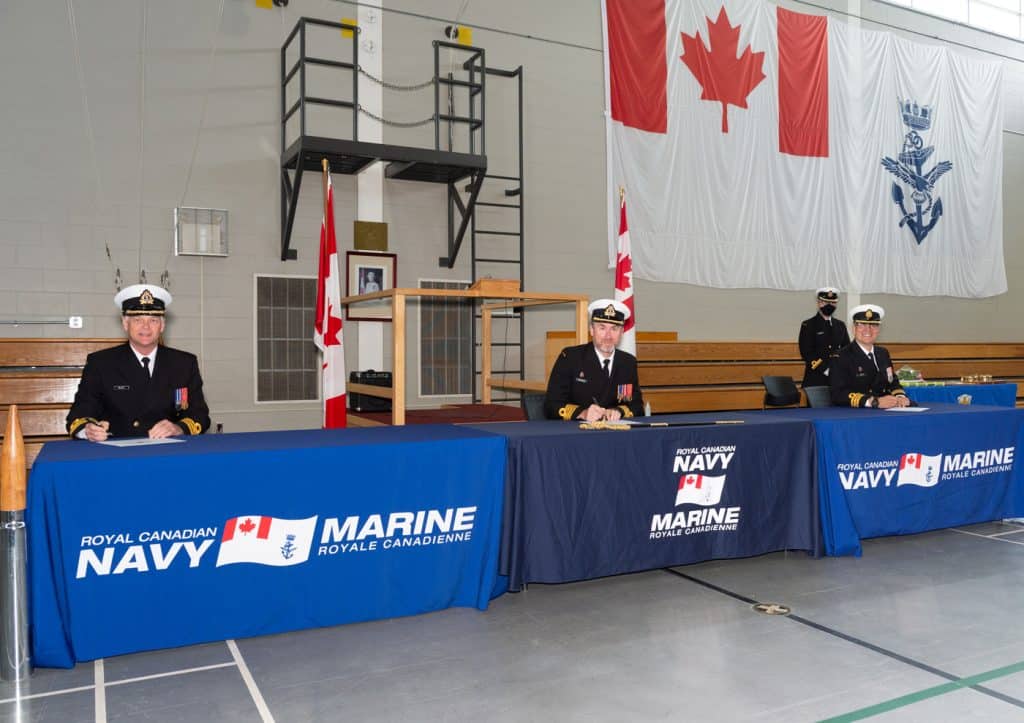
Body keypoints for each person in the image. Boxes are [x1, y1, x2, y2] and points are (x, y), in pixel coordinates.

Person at [66, 284, 211, 440]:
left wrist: (178, 428)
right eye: (137, 320)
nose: (146, 327)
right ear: (125, 323)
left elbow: (199, 415)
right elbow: (79, 414)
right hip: (119, 452)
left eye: (153, 320)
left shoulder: (183, 364)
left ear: (162, 325)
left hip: (169, 449)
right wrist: (89, 430)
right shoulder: (101, 364)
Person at [544, 298, 645, 421]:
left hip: (615, 432)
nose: (608, 336)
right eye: (602, 328)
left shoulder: (627, 362)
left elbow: (636, 406)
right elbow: (551, 405)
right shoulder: (571, 358)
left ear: (622, 332)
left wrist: (619, 411)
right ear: (592, 330)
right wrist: (582, 413)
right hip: (577, 432)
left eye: (614, 329)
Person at [830, 304, 910, 408]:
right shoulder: (840, 356)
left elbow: (892, 381)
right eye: (862, 324)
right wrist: (872, 402)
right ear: (854, 328)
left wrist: (900, 396)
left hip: (886, 411)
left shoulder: (882, 353)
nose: (868, 330)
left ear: (878, 329)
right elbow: (838, 394)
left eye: (873, 325)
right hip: (855, 414)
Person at [798, 287, 850, 388]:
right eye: (825, 302)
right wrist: (826, 370)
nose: (829, 305)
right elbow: (807, 352)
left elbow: (846, 350)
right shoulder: (808, 325)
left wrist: (841, 370)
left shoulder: (840, 325)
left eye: (832, 303)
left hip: (838, 379)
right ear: (819, 303)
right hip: (816, 379)